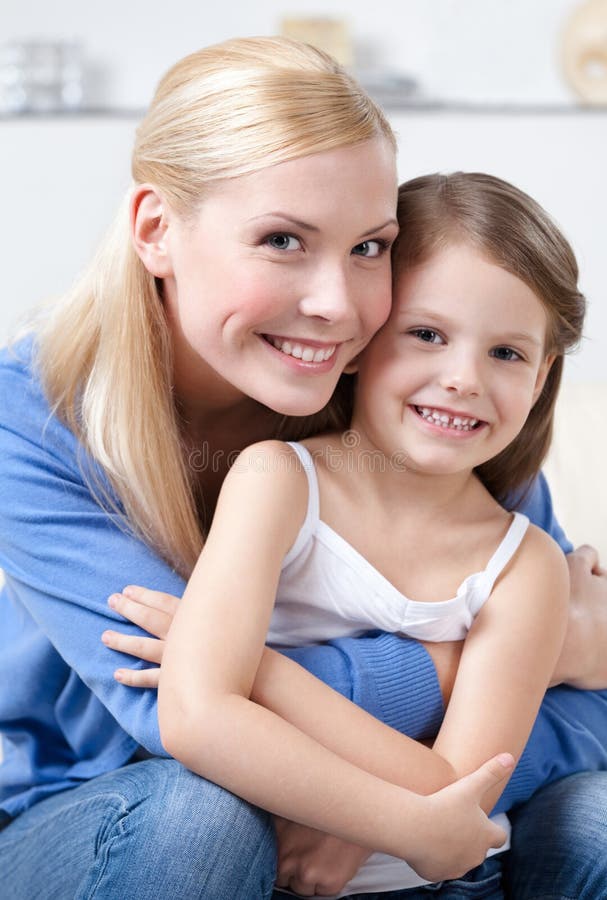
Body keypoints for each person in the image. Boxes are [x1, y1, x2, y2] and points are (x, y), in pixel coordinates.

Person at [0, 35, 603, 900]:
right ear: (156, 229)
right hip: (105, 808)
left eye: (369, 247)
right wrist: (456, 664)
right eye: (282, 239)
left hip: (414, 837)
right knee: (195, 817)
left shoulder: (413, 399)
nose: (338, 305)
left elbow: (581, 708)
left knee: (594, 817)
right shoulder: (30, 417)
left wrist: (369, 810)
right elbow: (164, 713)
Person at [107, 170, 587, 898]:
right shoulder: (276, 481)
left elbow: (456, 786)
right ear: (360, 341)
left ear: (542, 374)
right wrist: (224, 691)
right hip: (256, 872)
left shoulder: (525, 565)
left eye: (506, 353)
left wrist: (259, 673)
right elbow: (197, 719)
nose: (461, 378)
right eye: (426, 335)